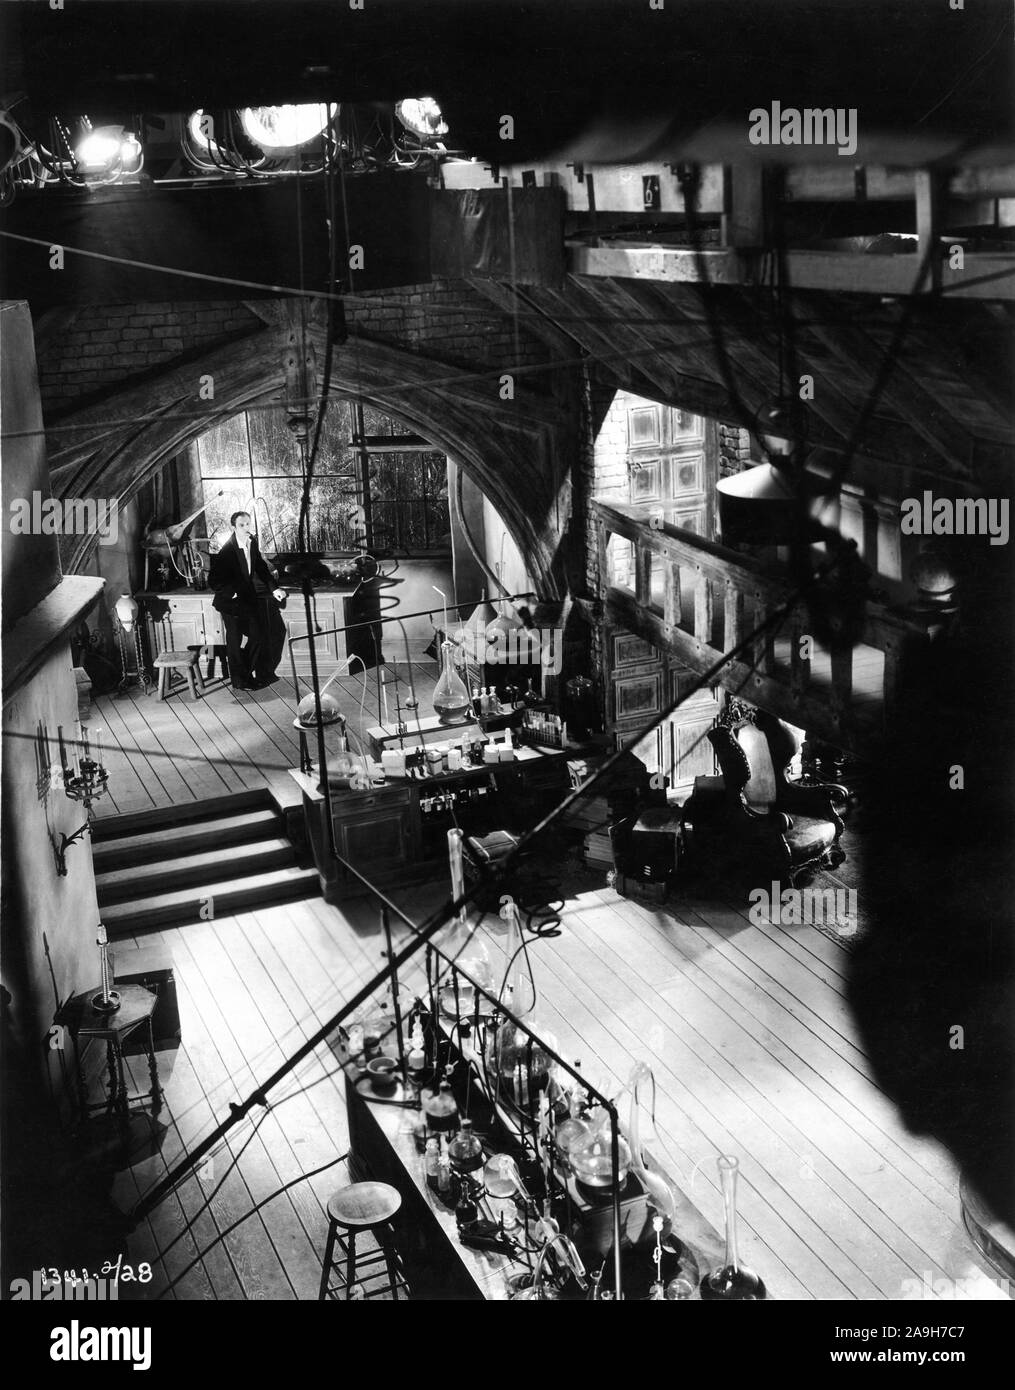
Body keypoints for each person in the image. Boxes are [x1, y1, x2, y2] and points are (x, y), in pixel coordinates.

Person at [209, 511, 287, 690]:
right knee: (235, 641)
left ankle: (245, 674)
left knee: (258, 636)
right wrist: (232, 593)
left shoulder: (252, 543)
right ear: (234, 527)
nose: (246, 528)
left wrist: (274, 589)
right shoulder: (227, 551)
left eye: (248, 524)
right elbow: (213, 580)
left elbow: (260, 567)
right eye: (242, 525)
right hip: (229, 603)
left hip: (247, 600)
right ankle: (239, 681)